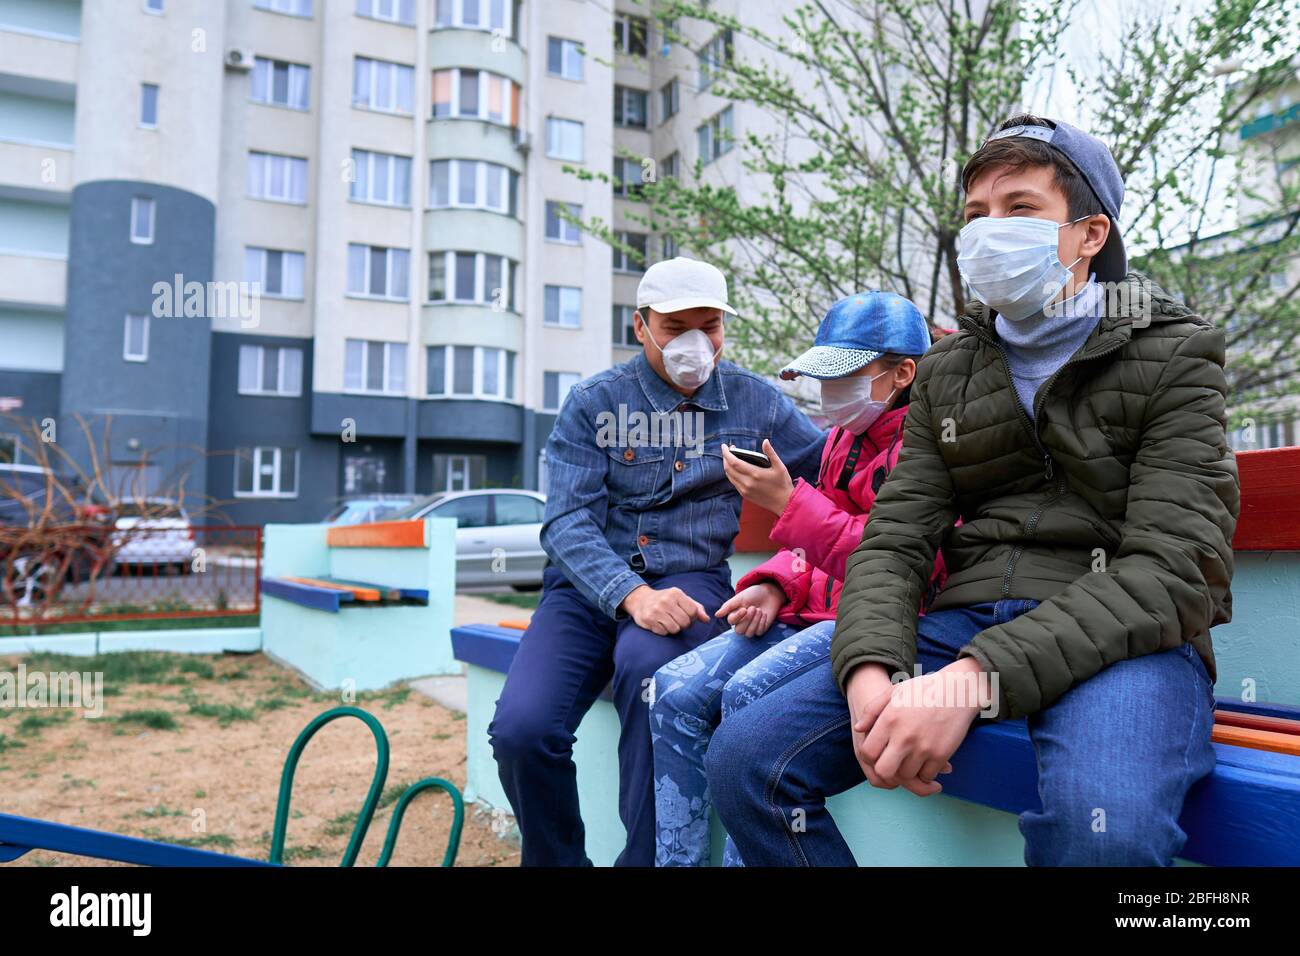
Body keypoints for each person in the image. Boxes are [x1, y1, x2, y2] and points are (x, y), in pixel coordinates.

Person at [705, 114, 1240, 866]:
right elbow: (893, 541)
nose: (989, 232)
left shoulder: (1174, 353)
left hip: (1128, 639)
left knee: (1107, 833)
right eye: (975, 215)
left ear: (1090, 234)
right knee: (744, 762)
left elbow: (1175, 570)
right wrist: (869, 669)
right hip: (959, 623)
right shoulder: (950, 373)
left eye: (1020, 209)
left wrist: (971, 684)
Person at [487, 256, 827, 866]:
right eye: (676, 328)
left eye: (711, 326)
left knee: (653, 686)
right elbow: (565, 521)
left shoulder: (758, 404)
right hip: (585, 590)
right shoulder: (594, 404)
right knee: (522, 730)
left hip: (692, 584)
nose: (697, 344)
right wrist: (632, 595)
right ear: (640, 326)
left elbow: (837, 477)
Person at [650, 290, 940, 866]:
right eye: (825, 377)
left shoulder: (935, 442)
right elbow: (820, 536)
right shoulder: (842, 438)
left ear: (903, 373)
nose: (831, 393)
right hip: (809, 614)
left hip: (878, 629)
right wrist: (774, 583)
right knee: (671, 692)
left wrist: (787, 505)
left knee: (745, 702)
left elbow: (904, 562)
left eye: (846, 375)